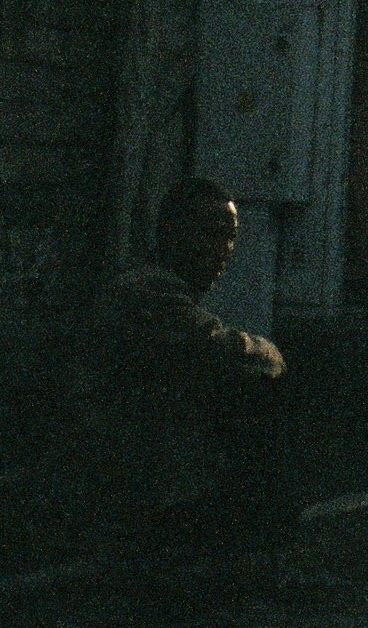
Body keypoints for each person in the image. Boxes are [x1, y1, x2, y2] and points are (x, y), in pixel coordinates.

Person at [65, 178, 294, 568]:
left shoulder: (155, 287)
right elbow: (225, 352)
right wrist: (269, 353)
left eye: (230, 237)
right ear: (171, 233)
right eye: (208, 234)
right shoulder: (148, 291)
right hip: (109, 457)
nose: (222, 249)